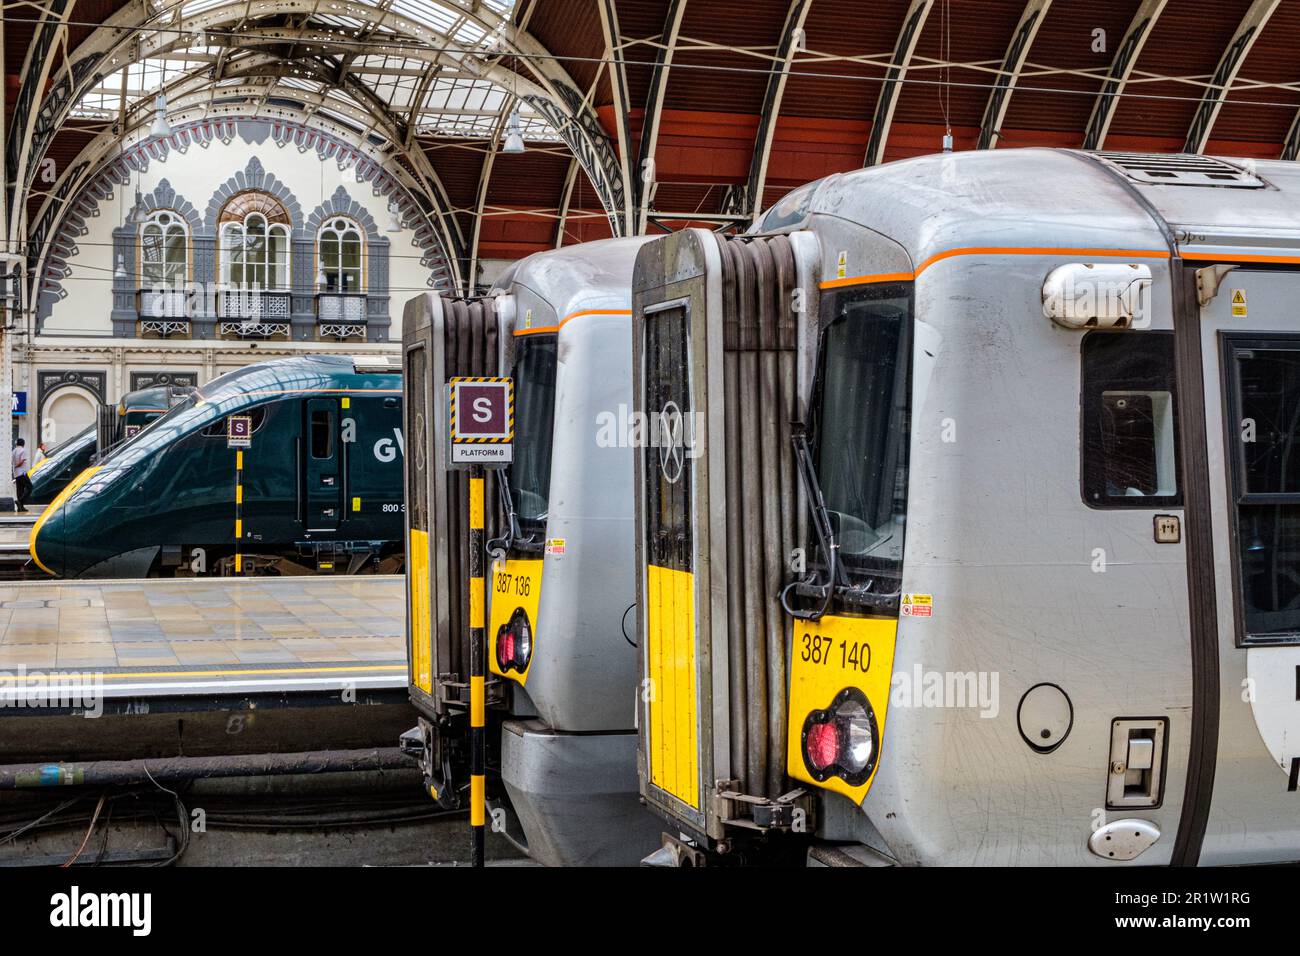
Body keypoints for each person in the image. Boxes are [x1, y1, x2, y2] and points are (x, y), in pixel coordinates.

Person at [12, 439, 31, 513]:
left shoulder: (14, 451)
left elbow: (12, 461)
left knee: (20, 489)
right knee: (30, 487)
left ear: (17, 444)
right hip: (22, 472)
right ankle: (20, 501)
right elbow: (22, 461)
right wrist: (17, 466)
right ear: (23, 444)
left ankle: (21, 507)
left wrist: (14, 467)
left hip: (16, 473)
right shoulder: (23, 450)